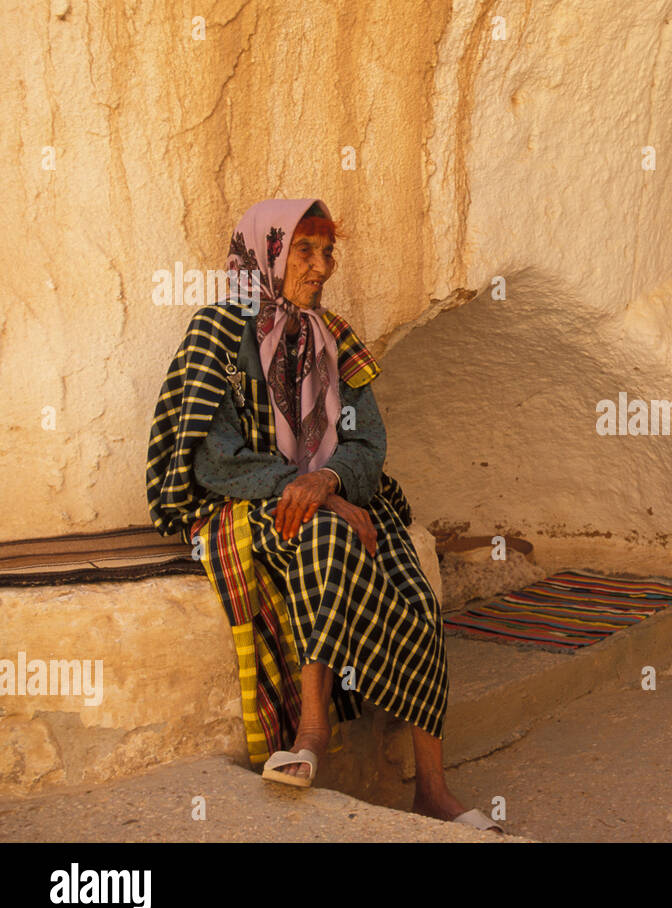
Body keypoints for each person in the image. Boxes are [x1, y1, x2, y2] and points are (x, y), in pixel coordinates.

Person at [145, 197, 501, 832]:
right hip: (249, 507)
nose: (322, 266)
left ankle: (433, 789)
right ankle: (310, 734)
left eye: (328, 252)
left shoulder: (335, 337)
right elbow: (212, 458)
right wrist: (311, 490)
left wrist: (331, 478)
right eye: (305, 251)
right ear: (269, 254)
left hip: (337, 495)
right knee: (328, 535)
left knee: (411, 585)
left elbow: (369, 442)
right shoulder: (220, 334)